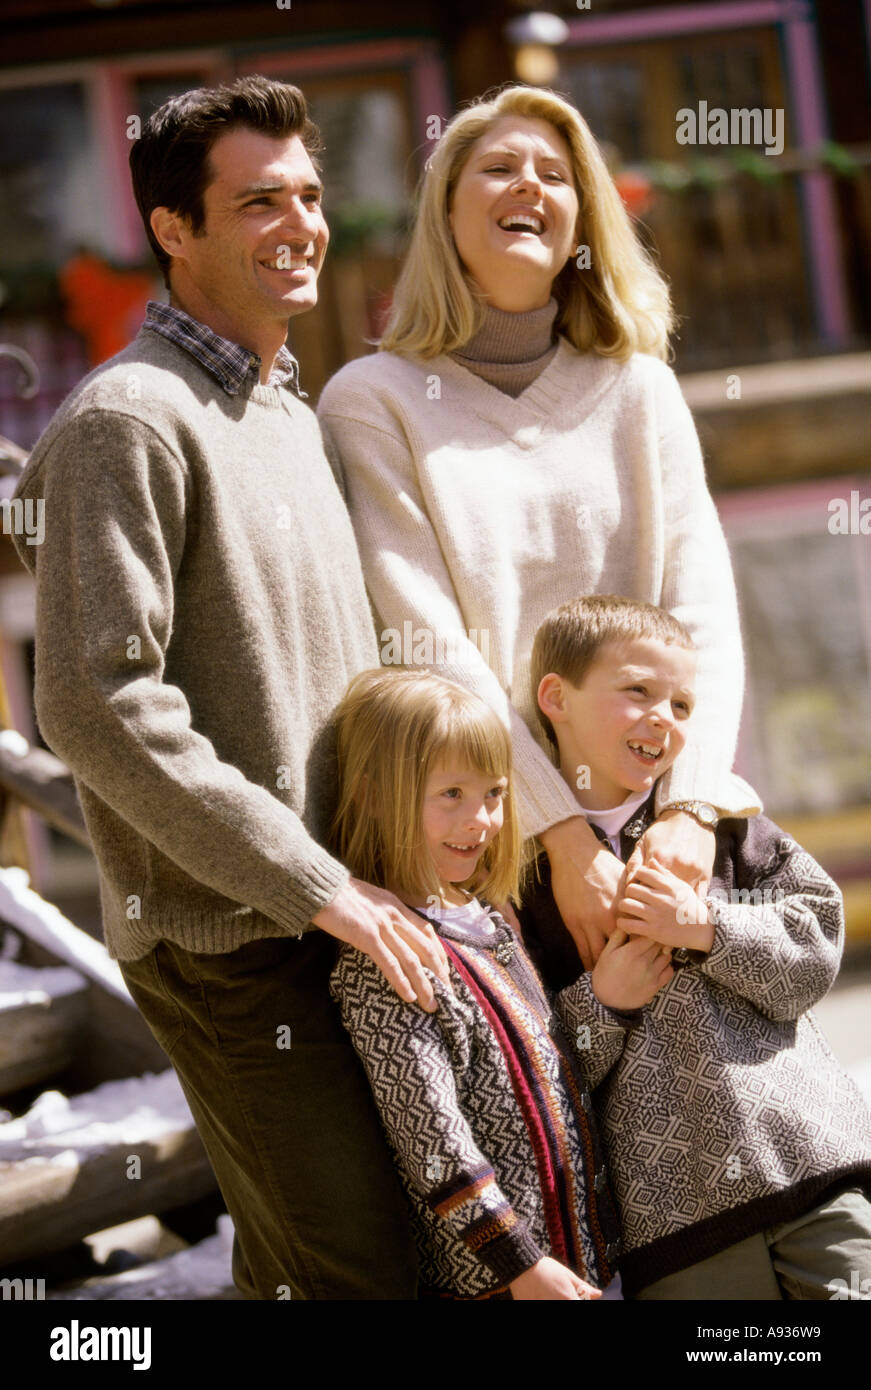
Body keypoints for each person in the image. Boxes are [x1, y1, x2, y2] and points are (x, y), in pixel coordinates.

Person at [11, 76, 453, 1301]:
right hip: (235, 944)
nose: (300, 222)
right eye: (257, 200)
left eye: (309, 193)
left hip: (341, 916)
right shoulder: (129, 422)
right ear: (173, 230)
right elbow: (97, 706)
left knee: (301, 1266)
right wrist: (315, 883)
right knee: (358, 1270)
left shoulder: (282, 408)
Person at [317, 83, 760, 975]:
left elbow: (701, 612)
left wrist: (687, 811)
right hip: (495, 855)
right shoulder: (375, 404)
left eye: (555, 175)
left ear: (583, 220)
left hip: (665, 843)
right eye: (498, 168)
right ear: (445, 214)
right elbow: (426, 637)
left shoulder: (640, 390)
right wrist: (560, 834)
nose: (530, 185)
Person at [518, 593, 871, 1300]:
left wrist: (706, 926)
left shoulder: (726, 827)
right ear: (554, 697)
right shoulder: (526, 880)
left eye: (681, 705)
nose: (664, 718)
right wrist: (602, 1003)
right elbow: (524, 1067)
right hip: (671, 1228)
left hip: (812, 1169)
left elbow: (814, 953)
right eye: (638, 692)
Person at [328, 665, 669, 1299]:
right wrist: (519, 1264)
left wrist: (607, 1005)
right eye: (450, 794)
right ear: (378, 796)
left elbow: (553, 1076)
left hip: (587, 1265)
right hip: (502, 1285)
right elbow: (431, 1137)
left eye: (493, 793)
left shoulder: (492, 926)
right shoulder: (386, 956)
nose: (481, 820)